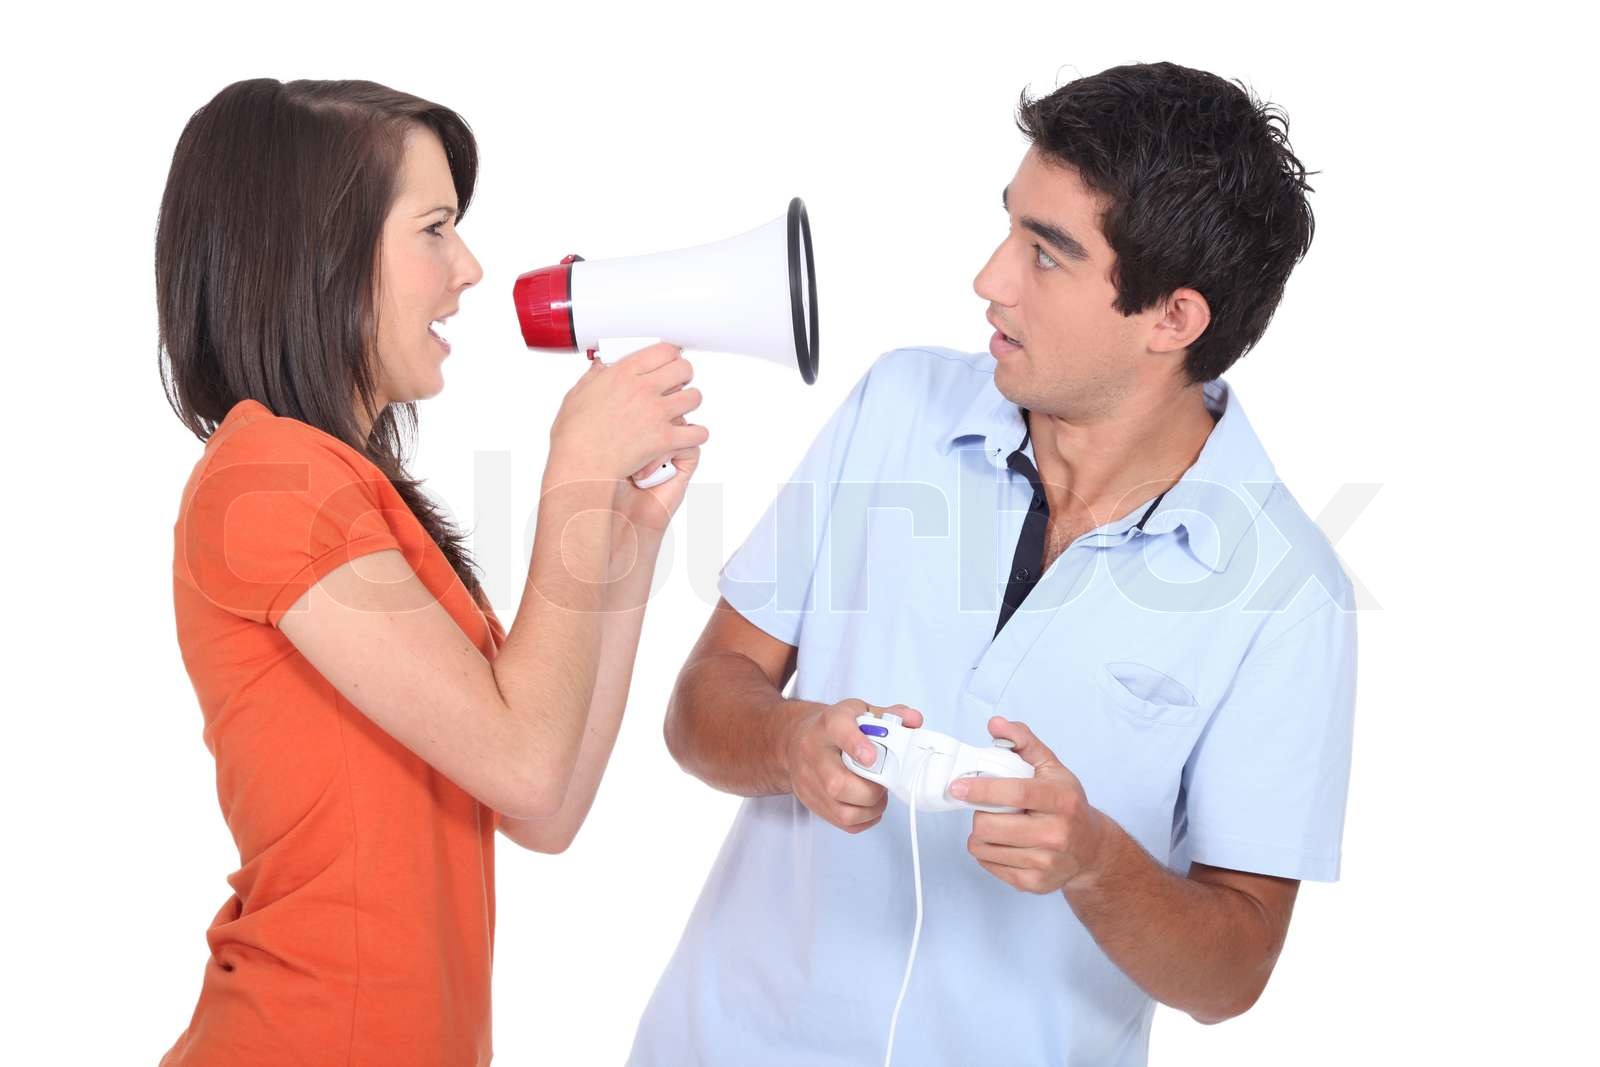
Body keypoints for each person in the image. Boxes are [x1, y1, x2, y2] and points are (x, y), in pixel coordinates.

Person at [629, 62, 1355, 1066]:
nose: (989, 278)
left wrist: (1094, 859)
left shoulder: (1287, 592)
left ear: (1171, 319)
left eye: (1045, 253)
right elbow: (701, 706)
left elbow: (1233, 972)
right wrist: (787, 739)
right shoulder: (897, 407)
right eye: (1009, 225)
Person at [158, 78, 706, 1066]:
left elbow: (544, 803)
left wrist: (619, 544)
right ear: (318, 253)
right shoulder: (270, 476)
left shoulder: (347, 489)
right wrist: (575, 472)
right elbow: (525, 759)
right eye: (434, 229)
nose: (469, 266)